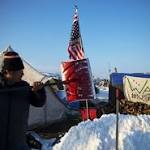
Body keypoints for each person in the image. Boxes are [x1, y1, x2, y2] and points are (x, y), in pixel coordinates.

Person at [0, 51, 46, 150]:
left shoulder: (24, 87)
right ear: (9, 71)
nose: (23, 73)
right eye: (20, 70)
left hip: (18, 143)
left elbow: (39, 103)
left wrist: (39, 91)